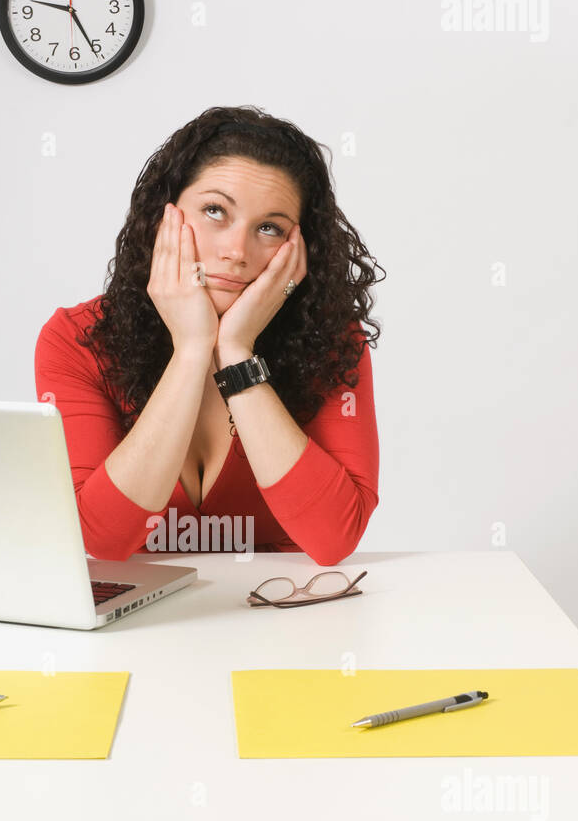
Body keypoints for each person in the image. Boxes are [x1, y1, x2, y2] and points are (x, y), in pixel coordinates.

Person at [35, 104, 385, 564]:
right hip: (140, 627)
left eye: (269, 228)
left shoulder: (331, 341)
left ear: (300, 247)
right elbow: (102, 540)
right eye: (215, 211)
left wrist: (236, 353)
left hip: (282, 617)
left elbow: (333, 539)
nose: (237, 251)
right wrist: (192, 348)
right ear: (165, 216)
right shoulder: (77, 340)